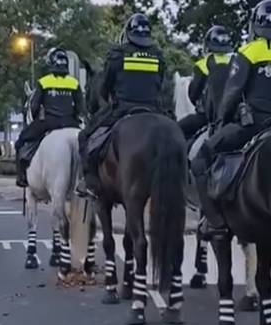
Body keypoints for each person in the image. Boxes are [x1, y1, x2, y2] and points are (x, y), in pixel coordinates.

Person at [194, 0, 271, 236]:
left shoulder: (248, 52)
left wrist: (223, 119)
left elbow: (232, 92)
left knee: (201, 160)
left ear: (256, 24)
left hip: (254, 125)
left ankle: (214, 220)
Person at [77, 12, 167, 196]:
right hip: (154, 110)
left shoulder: (118, 54)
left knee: (85, 137)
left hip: (123, 108)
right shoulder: (158, 55)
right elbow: (161, 85)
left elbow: (105, 87)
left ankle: (91, 182)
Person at [14, 48, 84, 187]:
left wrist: (34, 119)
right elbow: (80, 107)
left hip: (49, 122)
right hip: (70, 123)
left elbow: (34, 106)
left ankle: (22, 175)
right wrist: (75, 118)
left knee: (21, 141)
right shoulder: (74, 83)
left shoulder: (44, 82)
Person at [177, 25, 236, 142]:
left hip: (208, 118)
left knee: (178, 128)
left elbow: (193, 94)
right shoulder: (238, 61)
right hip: (234, 116)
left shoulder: (202, 64)